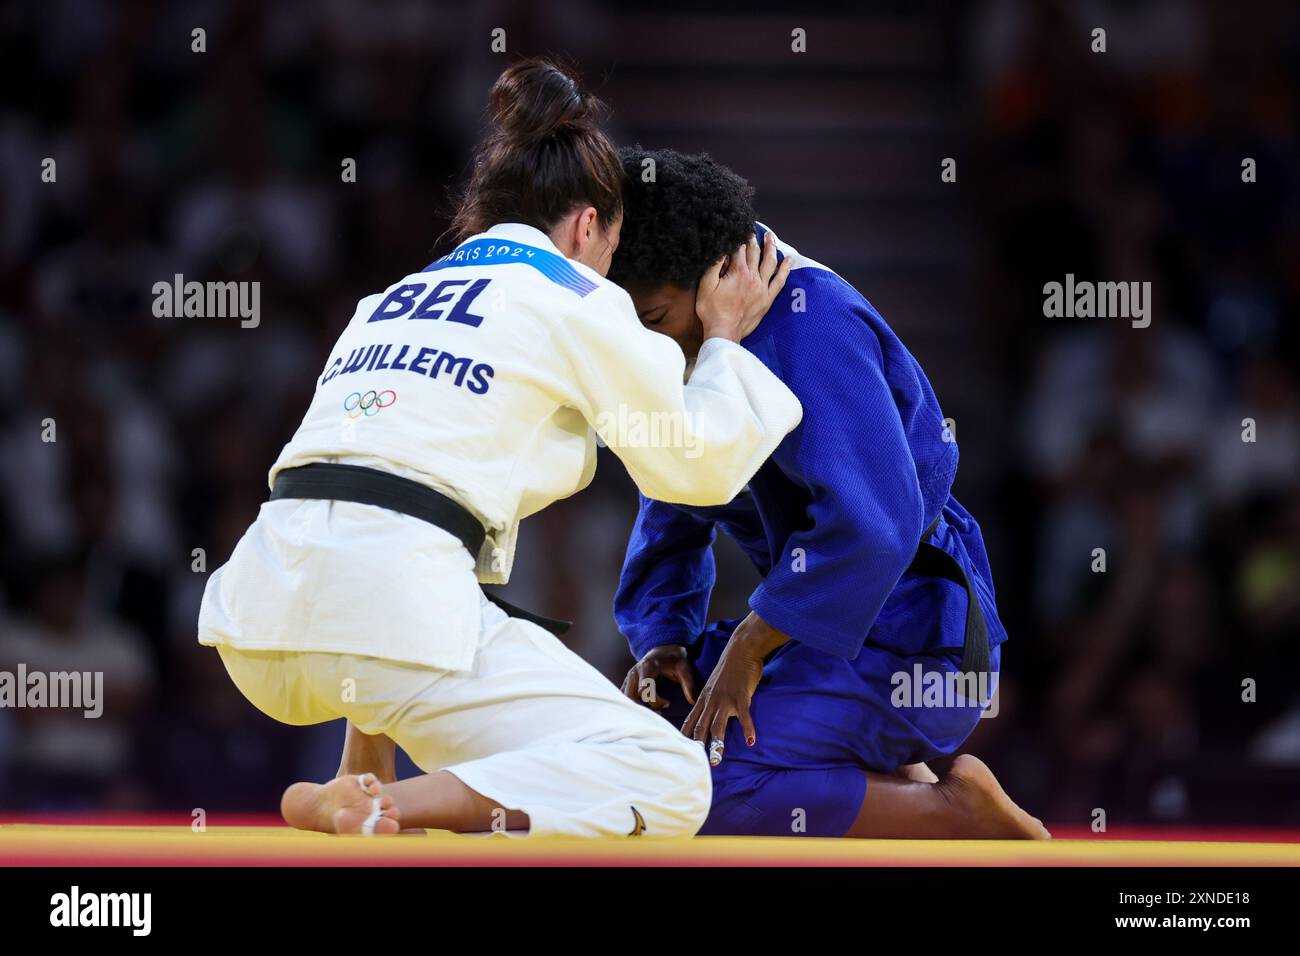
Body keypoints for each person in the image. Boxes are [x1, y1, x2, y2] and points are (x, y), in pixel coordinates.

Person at [196, 62, 801, 839]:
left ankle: (356, 775)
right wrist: (724, 341)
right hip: (386, 616)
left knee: (412, 529)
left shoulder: (387, 303)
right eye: (612, 250)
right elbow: (696, 465)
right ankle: (383, 802)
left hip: (256, 623)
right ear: (588, 226)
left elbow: (378, 482)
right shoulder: (573, 294)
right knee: (670, 775)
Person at [612, 148, 1048, 839]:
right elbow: (675, 484)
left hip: (919, 641)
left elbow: (876, 527)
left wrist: (750, 646)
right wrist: (663, 636)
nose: (647, 343)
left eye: (656, 317)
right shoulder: (700, 345)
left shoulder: (813, 327)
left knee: (698, 789)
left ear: (715, 277)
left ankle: (952, 813)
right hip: (821, 640)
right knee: (630, 753)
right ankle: (900, 783)